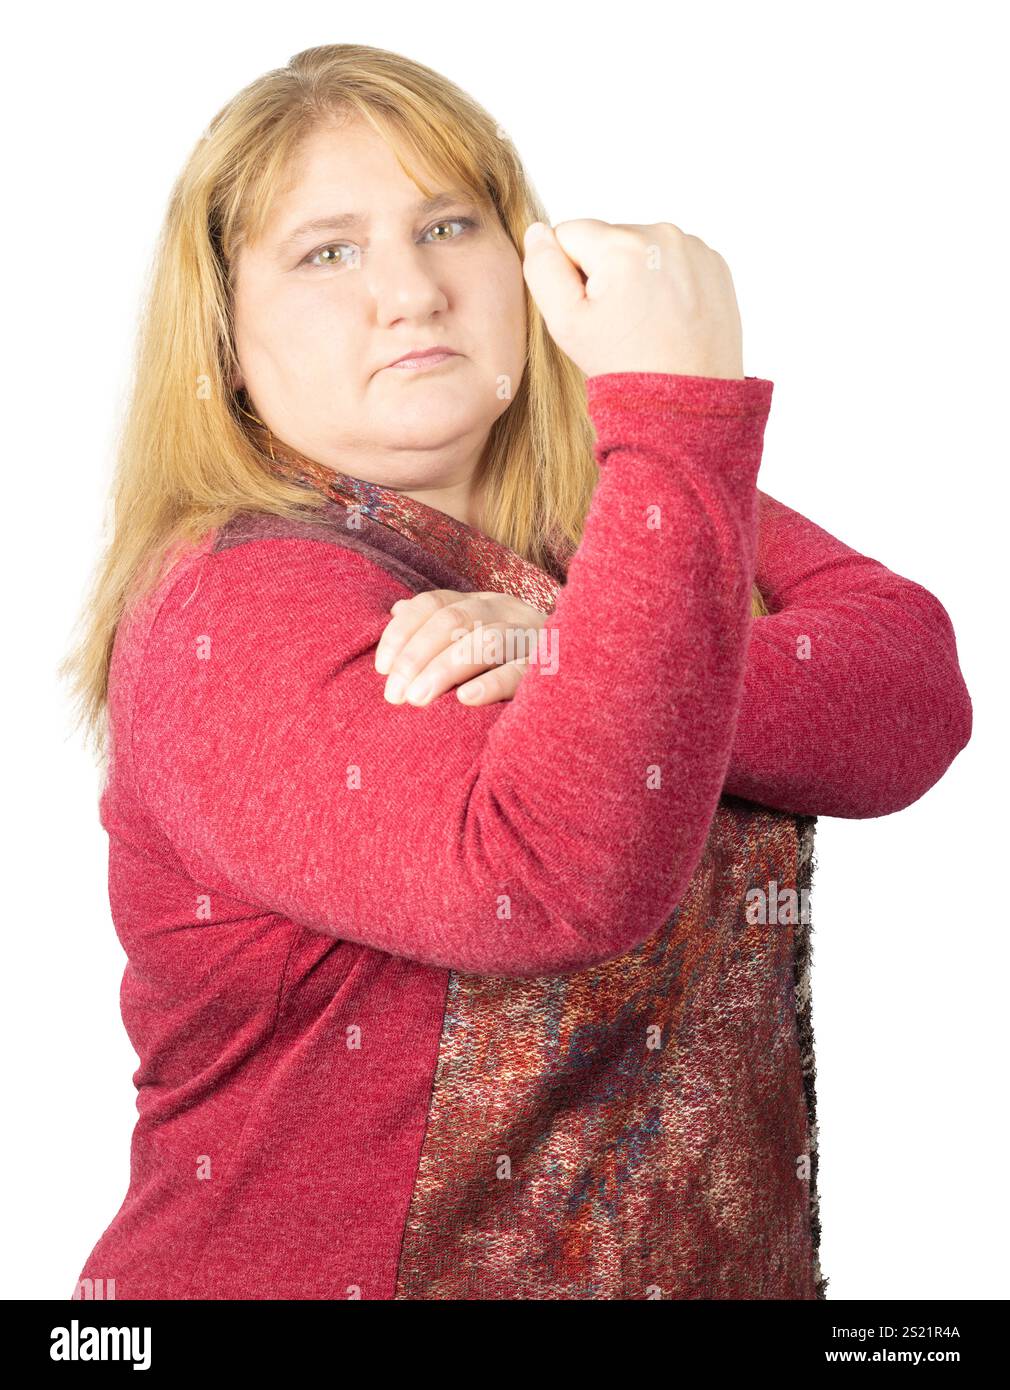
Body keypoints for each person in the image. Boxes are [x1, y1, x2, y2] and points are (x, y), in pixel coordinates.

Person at [60, 43, 972, 1301]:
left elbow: (909, 695)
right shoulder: (231, 602)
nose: (412, 291)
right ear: (221, 334)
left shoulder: (629, 507)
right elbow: (538, 880)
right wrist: (675, 415)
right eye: (327, 252)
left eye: (448, 224)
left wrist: (567, 648)